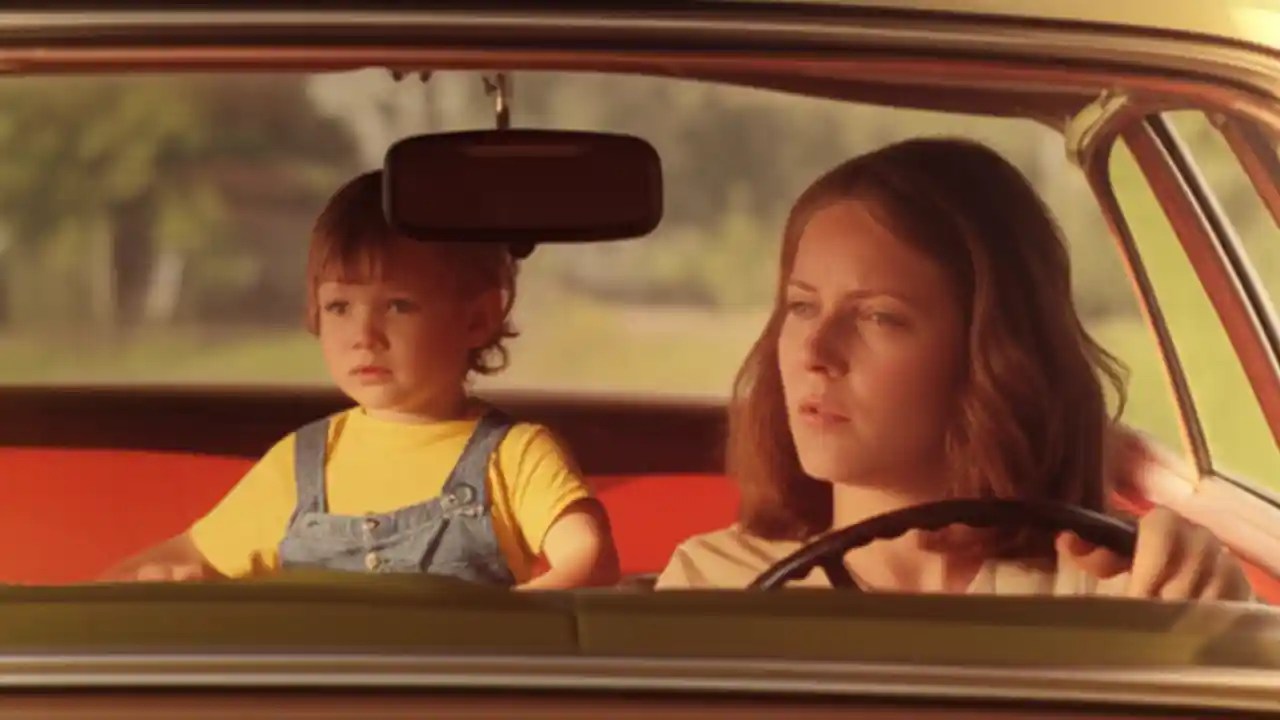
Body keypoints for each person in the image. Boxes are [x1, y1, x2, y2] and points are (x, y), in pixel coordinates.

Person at [656, 138, 1252, 600]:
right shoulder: (714, 585)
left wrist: (1211, 614)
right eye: (802, 306)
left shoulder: (1112, 592)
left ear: (991, 357)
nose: (815, 351)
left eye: (879, 318)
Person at [102, 170, 619, 590]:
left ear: (477, 320)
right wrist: (145, 583)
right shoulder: (298, 464)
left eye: (398, 305)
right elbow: (185, 556)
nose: (363, 335)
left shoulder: (517, 456)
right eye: (340, 306)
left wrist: (512, 627)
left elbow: (589, 559)